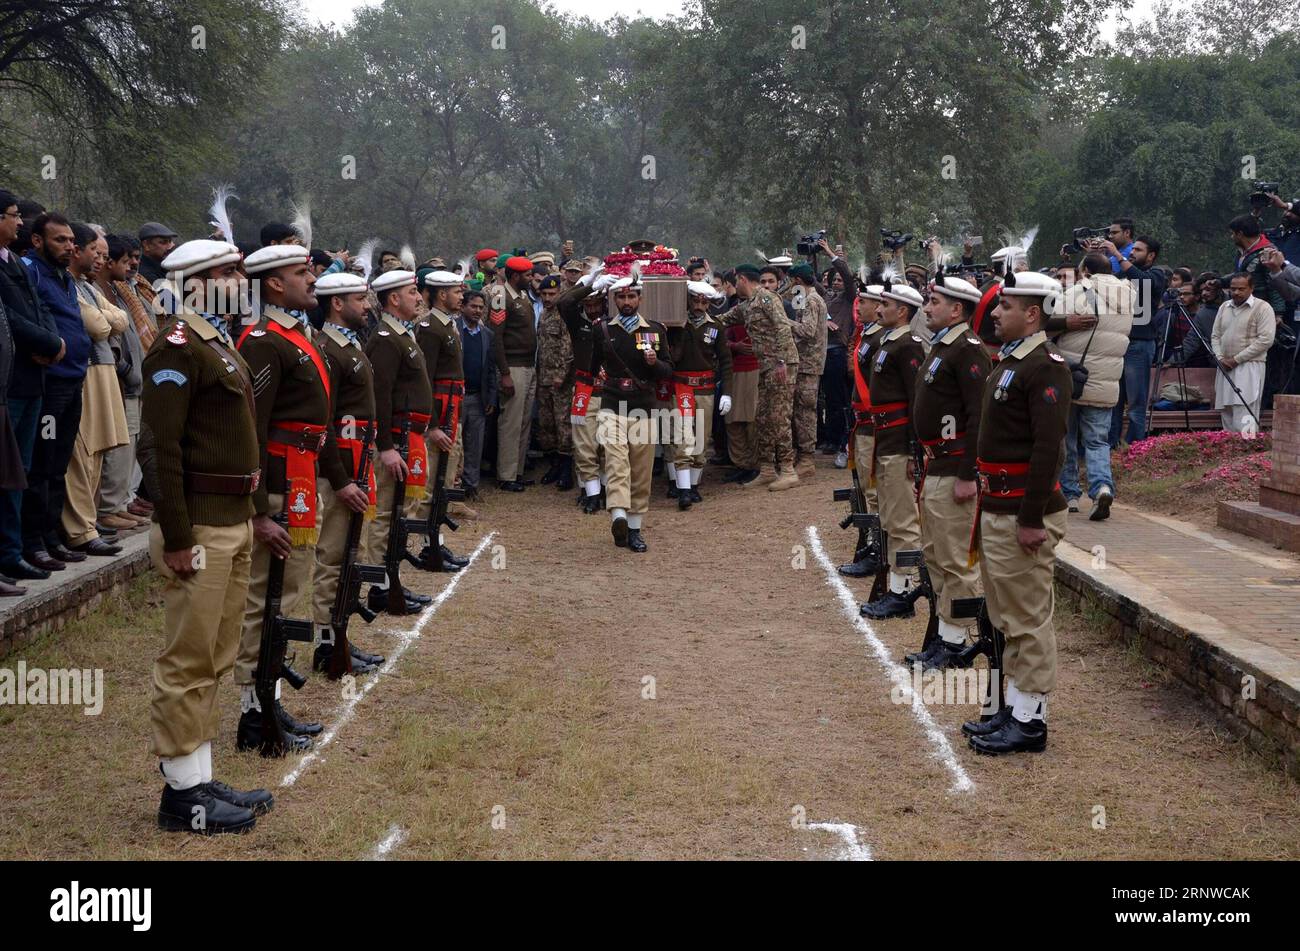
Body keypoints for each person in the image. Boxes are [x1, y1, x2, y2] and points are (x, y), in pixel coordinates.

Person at [138, 238, 273, 833]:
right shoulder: (175, 346)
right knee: (188, 657)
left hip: (232, 517)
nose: (241, 279)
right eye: (229, 271)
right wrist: (175, 533)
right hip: (198, 523)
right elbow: (160, 448)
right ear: (198, 280)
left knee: (215, 656)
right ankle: (181, 796)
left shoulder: (213, 343)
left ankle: (200, 775)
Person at [232, 243, 334, 754]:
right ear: (274, 283)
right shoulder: (264, 341)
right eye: (301, 273)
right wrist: (259, 509)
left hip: (301, 473)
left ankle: (269, 700)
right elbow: (253, 425)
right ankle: (254, 713)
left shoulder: (293, 334)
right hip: (277, 479)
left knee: (289, 591)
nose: (311, 279)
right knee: (264, 597)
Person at [966, 269, 1072, 755]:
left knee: (1027, 616)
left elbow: (1047, 449)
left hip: (1021, 512)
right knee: (1006, 613)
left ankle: (1030, 722)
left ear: (1031, 314)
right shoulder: (1011, 360)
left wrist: (1031, 519)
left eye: (1005, 306)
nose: (994, 312)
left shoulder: (1045, 366)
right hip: (998, 506)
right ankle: (1014, 706)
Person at [909, 274, 990, 665]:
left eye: (934, 302)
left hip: (954, 465)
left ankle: (958, 643)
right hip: (936, 463)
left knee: (956, 558)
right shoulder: (944, 346)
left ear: (957, 309)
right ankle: (946, 634)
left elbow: (978, 416)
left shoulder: (967, 349)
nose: (926, 308)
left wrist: (966, 473)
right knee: (936, 553)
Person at [308, 271, 386, 676]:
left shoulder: (348, 346)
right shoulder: (327, 350)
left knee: (349, 557)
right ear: (337, 303)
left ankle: (339, 636)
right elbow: (325, 423)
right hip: (340, 469)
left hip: (358, 460)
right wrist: (340, 480)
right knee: (333, 558)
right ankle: (326, 643)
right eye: (360, 299)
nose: (368, 305)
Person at [23, 215, 96, 567]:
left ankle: (52, 536)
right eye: (60, 240)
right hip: (50, 386)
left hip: (74, 381)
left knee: (59, 464)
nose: (69, 246)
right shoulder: (31, 272)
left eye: (71, 240)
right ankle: (33, 541)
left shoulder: (65, 277)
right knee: (42, 462)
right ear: (37, 241)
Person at [0, 191, 65, 582]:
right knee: (5, 471)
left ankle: (14, 548)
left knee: (22, 469)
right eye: (12, 215)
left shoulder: (14, 263)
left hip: (34, 379)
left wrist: (55, 341)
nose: (20, 222)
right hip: (10, 380)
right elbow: (8, 317)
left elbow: (40, 308)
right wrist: (46, 343)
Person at [360, 269, 433, 613]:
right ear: (394, 298)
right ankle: (379, 585)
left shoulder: (400, 333)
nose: (419, 297)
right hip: (395, 441)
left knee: (399, 515)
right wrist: (385, 446)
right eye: (412, 291)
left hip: (409, 436)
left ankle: (391, 580)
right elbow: (380, 395)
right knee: (386, 514)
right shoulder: (387, 338)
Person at [587, 274, 673, 551]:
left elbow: (669, 371)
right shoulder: (602, 330)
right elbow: (591, 368)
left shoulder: (656, 330)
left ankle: (633, 529)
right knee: (615, 462)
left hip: (643, 408)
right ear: (614, 300)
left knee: (640, 469)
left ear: (639, 298)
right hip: (612, 406)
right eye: (621, 297)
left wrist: (654, 362)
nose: (626, 302)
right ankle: (618, 515)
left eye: (631, 296)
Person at [858, 281, 926, 619]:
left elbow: (917, 402)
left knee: (902, 522)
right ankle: (894, 584)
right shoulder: (888, 341)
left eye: (885, 304)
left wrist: (915, 450)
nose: (878, 308)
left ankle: (902, 592)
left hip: (899, 442)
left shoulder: (909, 345)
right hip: (884, 440)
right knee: (889, 516)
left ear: (902, 311)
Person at [1052, 252, 1134, 521]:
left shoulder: (1075, 292)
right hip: (1107, 379)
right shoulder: (1130, 296)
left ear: (1085, 270)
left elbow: (1049, 326)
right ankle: (1102, 488)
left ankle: (1070, 494)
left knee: (1067, 438)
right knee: (1098, 441)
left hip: (1073, 375)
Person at [715, 264, 800, 491]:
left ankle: (788, 470)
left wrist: (782, 361)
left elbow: (783, 327)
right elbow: (721, 320)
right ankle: (767, 469)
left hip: (781, 366)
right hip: (764, 368)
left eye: (735, 281)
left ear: (742, 279)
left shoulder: (767, 299)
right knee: (762, 418)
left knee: (779, 418)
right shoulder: (746, 306)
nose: (733, 286)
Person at [412, 269, 472, 570]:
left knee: (445, 481)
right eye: (455, 291)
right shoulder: (429, 327)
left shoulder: (447, 324)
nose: (461, 295)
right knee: (430, 483)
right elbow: (424, 378)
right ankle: (425, 545)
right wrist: (432, 425)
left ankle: (436, 541)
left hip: (452, 409)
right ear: (440, 294)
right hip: (439, 412)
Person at [94, 234, 148, 532]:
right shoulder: (95, 290)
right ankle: (108, 508)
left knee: (131, 445)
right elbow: (111, 335)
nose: (133, 265)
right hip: (120, 381)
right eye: (127, 260)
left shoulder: (121, 291)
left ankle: (120, 503)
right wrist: (126, 368)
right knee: (118, 447)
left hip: (135, 381)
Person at [837, 280, 887, 577]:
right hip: (862, 423)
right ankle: (870, 544)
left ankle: (877, 549)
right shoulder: (868, 335)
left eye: (865, 301)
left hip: (873, 425)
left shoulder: (880, 338)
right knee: (864, 489)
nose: (860, 305)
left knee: (873, 492)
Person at [668, 280, 733, 509]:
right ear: (688, 300)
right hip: (682, 386)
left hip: (706, 388)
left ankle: (694, 486)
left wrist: (727, 392)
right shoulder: (676, 325)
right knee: (682, 437)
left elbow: (726, 361)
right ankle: (683, 490)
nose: (699, 305)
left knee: (702, 439)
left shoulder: (716, 326)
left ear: (710, 304)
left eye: (704, 301)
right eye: (695, 300)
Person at [1103, 235, 1165, 446]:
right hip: (1118, 342)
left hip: (1139, 344)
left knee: (1136, 400)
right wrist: (1095, 255)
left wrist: (1117, 254)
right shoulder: (1124, 274)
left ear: (1151, 255)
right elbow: (1105, 281)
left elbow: (1143, 281)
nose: (1132, 252)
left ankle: (1136, 447)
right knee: (1114, 400)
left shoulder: (1157, 273)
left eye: (1138, 250)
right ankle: (1112, 445)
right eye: (1132, 249)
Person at [556, 267, 608, 513]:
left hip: (611, 393)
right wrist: (589, 282)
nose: (593, 308)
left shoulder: (613, 324)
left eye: (598, 302)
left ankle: (607, 489)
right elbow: (565, 301)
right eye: (588, 303)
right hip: (586, 391)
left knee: (609, 447)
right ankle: (591, 494)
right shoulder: (579, 325)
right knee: (585, 446)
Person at [490, 255, 537, 491]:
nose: (531, 279)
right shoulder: (500, 296)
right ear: (516, 276)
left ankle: (517, 471)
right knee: (511, 422)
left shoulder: (523, 295)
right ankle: (506, 475)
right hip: (514, 366)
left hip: (529, 365)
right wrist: (505, 372)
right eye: (528, 275)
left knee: (524, 421)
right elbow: (496, 337)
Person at [1212, 272, 1275, 433]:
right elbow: (1215, 336)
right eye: (1233, 289)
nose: (1236, 293)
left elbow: (1265, 340)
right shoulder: (1224, 307)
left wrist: (1236, 359)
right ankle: (1231, 453)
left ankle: (1247, 451)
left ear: (1251, 288)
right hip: (1225, 366)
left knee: (1245, 408)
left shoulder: (1263, 307)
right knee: (1226, 411)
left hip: (1249, 366)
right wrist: (1220, 358)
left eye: (1241, 289)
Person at [533, 274, 574, 490]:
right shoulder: (543, 314)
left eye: (552, 293)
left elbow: (568, 349)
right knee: (546, 424)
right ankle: (555, 465)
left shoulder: (563, 314)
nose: (548, 298)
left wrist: (561, 375)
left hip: (561, 380)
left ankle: (567, 470)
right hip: (544, 378)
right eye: (544, 294)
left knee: (563, 424)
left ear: (559, 292)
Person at [456, 289, 497, 501]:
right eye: (473, 306)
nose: (477, 311)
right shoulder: (452, 330)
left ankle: (471, 486)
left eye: (481, 307)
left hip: (477, 398)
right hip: (456, 397)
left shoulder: (487, 335)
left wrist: (491, 397)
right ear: (463, 306)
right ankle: (452, 487)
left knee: (475, 444)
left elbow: (491, 370)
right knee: (456, 444)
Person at [788, 262, 828, 479]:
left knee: (805, 412)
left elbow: (807, 330)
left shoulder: (812, 300)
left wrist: (784, 322)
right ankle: (801, 455)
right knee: (800, 411)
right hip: (804, 363)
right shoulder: (806, 298)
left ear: (797, 281)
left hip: (809, 365)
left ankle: (807, 459)